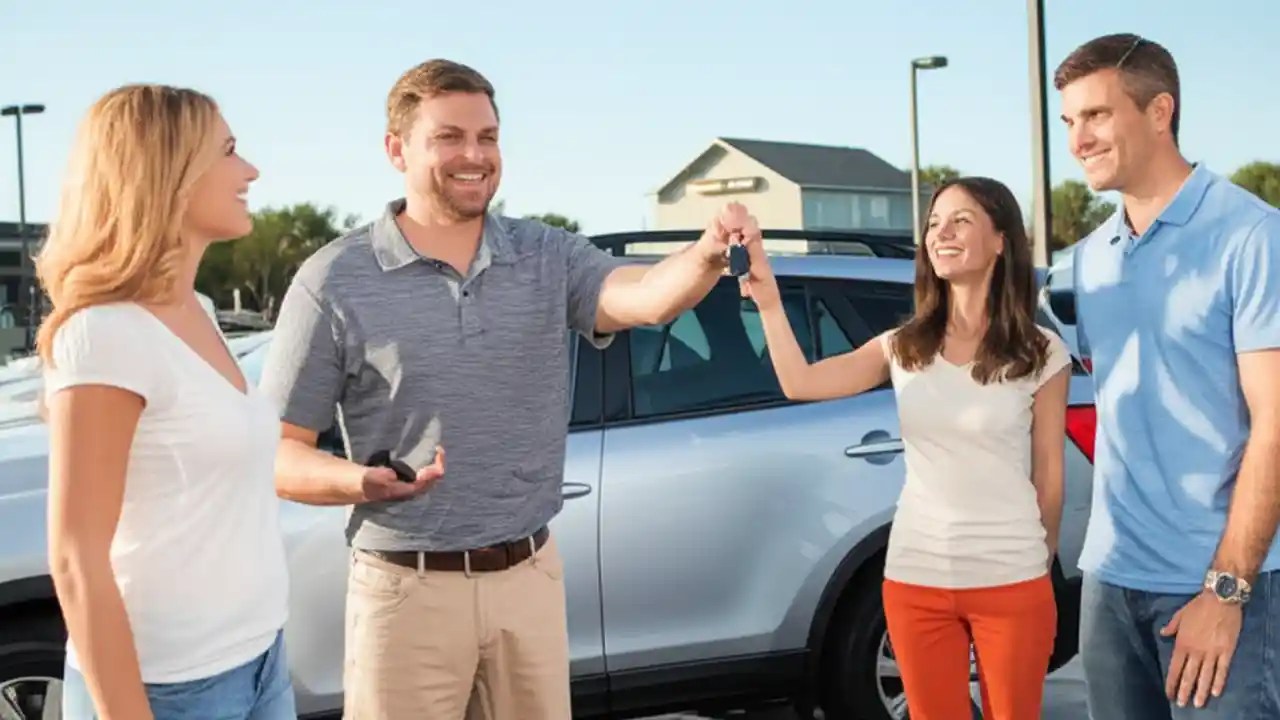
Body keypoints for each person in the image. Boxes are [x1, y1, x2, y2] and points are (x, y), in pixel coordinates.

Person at [257, 58, 757, 720]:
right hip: (405, 590)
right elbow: (276, 454)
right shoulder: (333, 280)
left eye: (488, 137)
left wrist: (704, 255)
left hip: (528, 579)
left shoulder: (548, 256)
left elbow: (641, 298)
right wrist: (360, 482)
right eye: (450, 137)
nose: (475, 155)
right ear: (395, 149)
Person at [739, 176, 1071, 719]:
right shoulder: (902, 346)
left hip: (1011, 578)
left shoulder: (1041, 352)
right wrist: (770, 301)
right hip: (917, 581)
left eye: (961, 221)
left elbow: (1050, 477)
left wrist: (1040, 572)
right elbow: (801, 382)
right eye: (934, 224)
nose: (942, 233)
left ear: (1001, 240)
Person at [37, 84, 294, 719]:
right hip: (171, 689)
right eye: (229, 151)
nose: (251, 169)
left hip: (262, 658)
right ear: (167, 173)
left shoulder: (200, 311)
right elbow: (75, 557)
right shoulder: (105, 332)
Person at [1054, 33, 1280, 718]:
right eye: (1068, 122)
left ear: (1159, 112)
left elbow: (1274, 422)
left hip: (1219, 588)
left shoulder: (1251, 235)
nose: (1078, 140)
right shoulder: (1087, 261)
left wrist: (1226, 590)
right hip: (1110, 585)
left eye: (1095, 115)